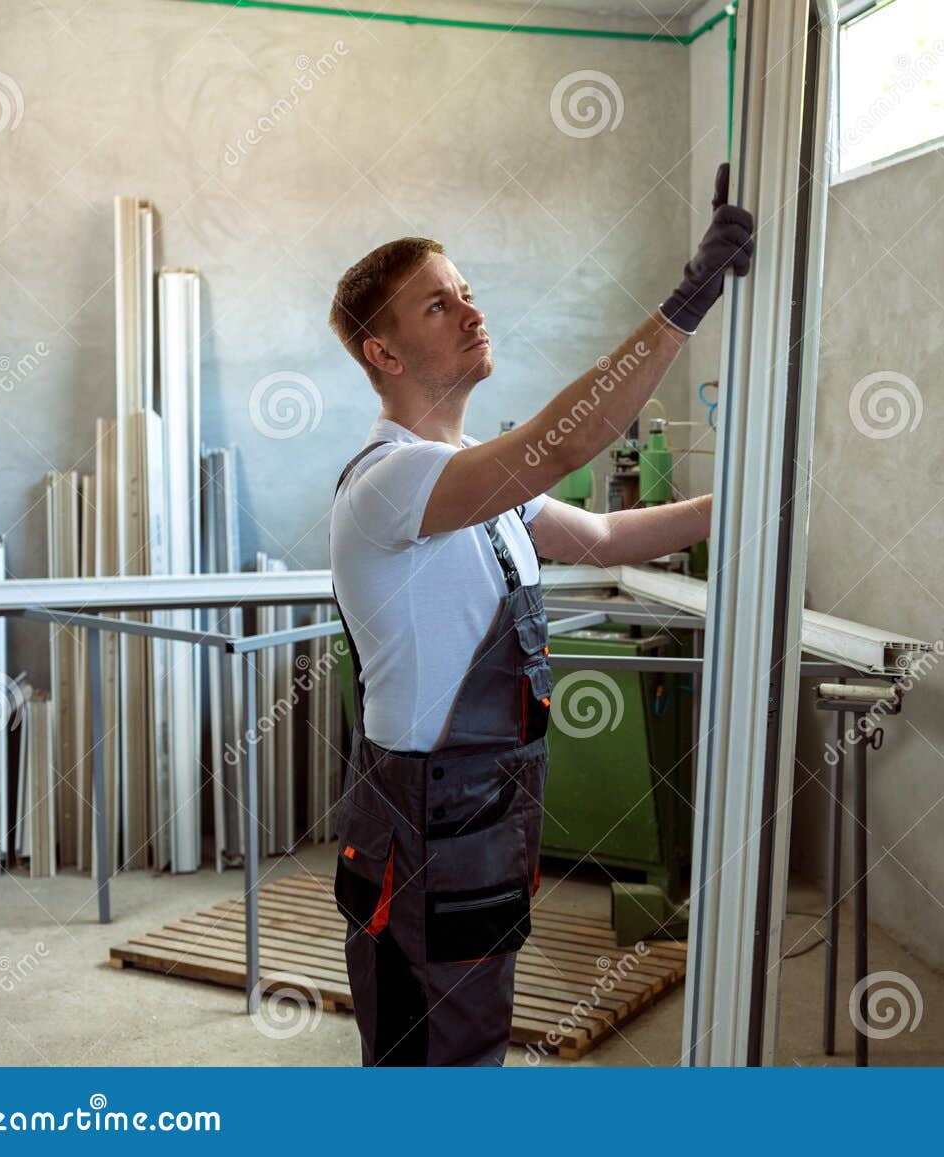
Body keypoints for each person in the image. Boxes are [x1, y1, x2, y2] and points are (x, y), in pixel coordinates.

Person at [323, 165, 754, 1066]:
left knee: (473, 1024)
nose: (474, 312)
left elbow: (598, 535)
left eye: (468, 293)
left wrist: (746, 498)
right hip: (428, 808)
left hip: (490, 797)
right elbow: (563, 442)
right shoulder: (393, 479)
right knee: (430, 1045)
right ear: (384, 353)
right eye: (439, 306)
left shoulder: (471, 473)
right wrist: (687, 301)